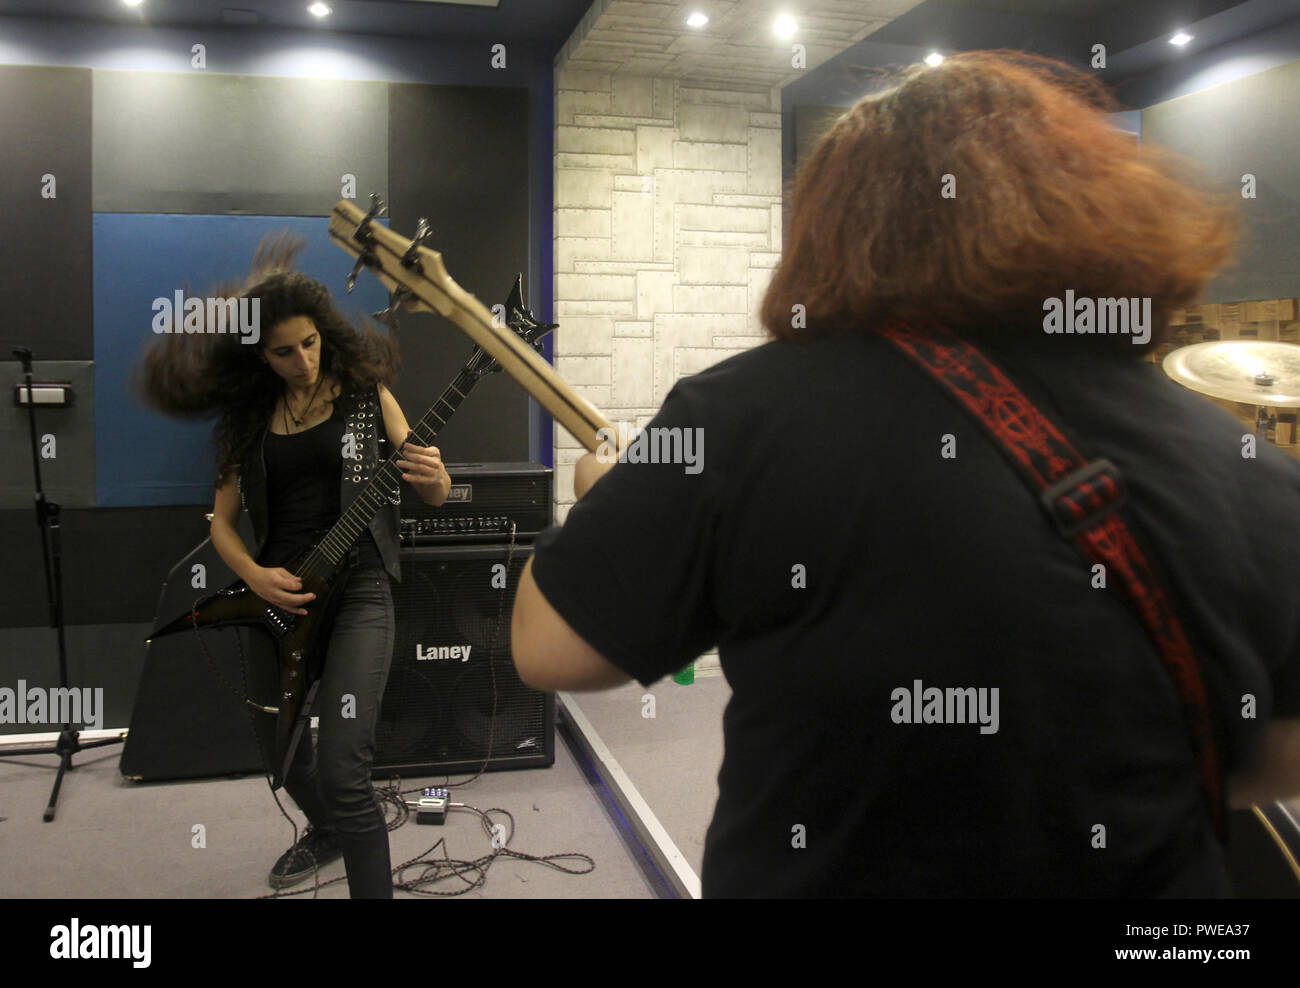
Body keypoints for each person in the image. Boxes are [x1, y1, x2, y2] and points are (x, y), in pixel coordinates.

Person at [509, 51, 1300, 896]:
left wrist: (601, 502)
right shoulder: (1233, 456)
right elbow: (1277, 758)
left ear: (836, 228)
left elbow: (550, 649)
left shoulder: (743, 413)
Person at [137, 236, 451, 898]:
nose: (302, 360)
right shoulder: (249, 417)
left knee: (344, 769)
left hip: (361, 587)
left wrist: (436, 475)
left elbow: (432, 489)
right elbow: (220, 524)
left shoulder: (366, 393)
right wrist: (252, 575)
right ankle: (328, 829)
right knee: (281, 757)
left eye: (310, 343)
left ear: (323, 334)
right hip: (277, 598)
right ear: (260, 354)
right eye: (284, 351)